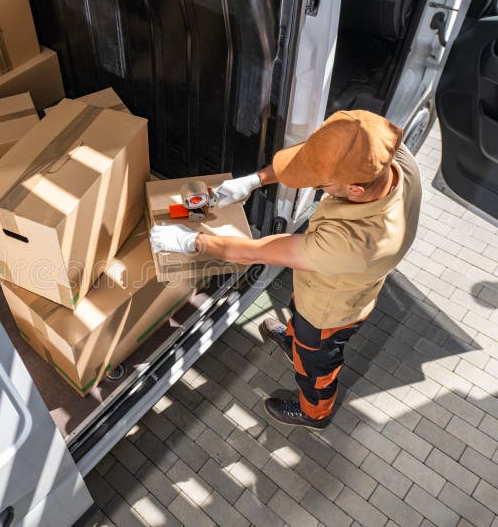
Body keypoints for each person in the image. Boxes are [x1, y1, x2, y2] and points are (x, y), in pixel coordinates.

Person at [149, 110, 422, 430]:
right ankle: (293, 343)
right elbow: (315, 157)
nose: (317, 185)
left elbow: (256, 252)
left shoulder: (358, 244)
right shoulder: (386, 155)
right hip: (320, 284)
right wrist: (255, 180)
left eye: (322, 184)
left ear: (354, 190)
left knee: (317, 365)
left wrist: (194, 242)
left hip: (330, 314)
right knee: (299, 316)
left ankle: (314, 412)